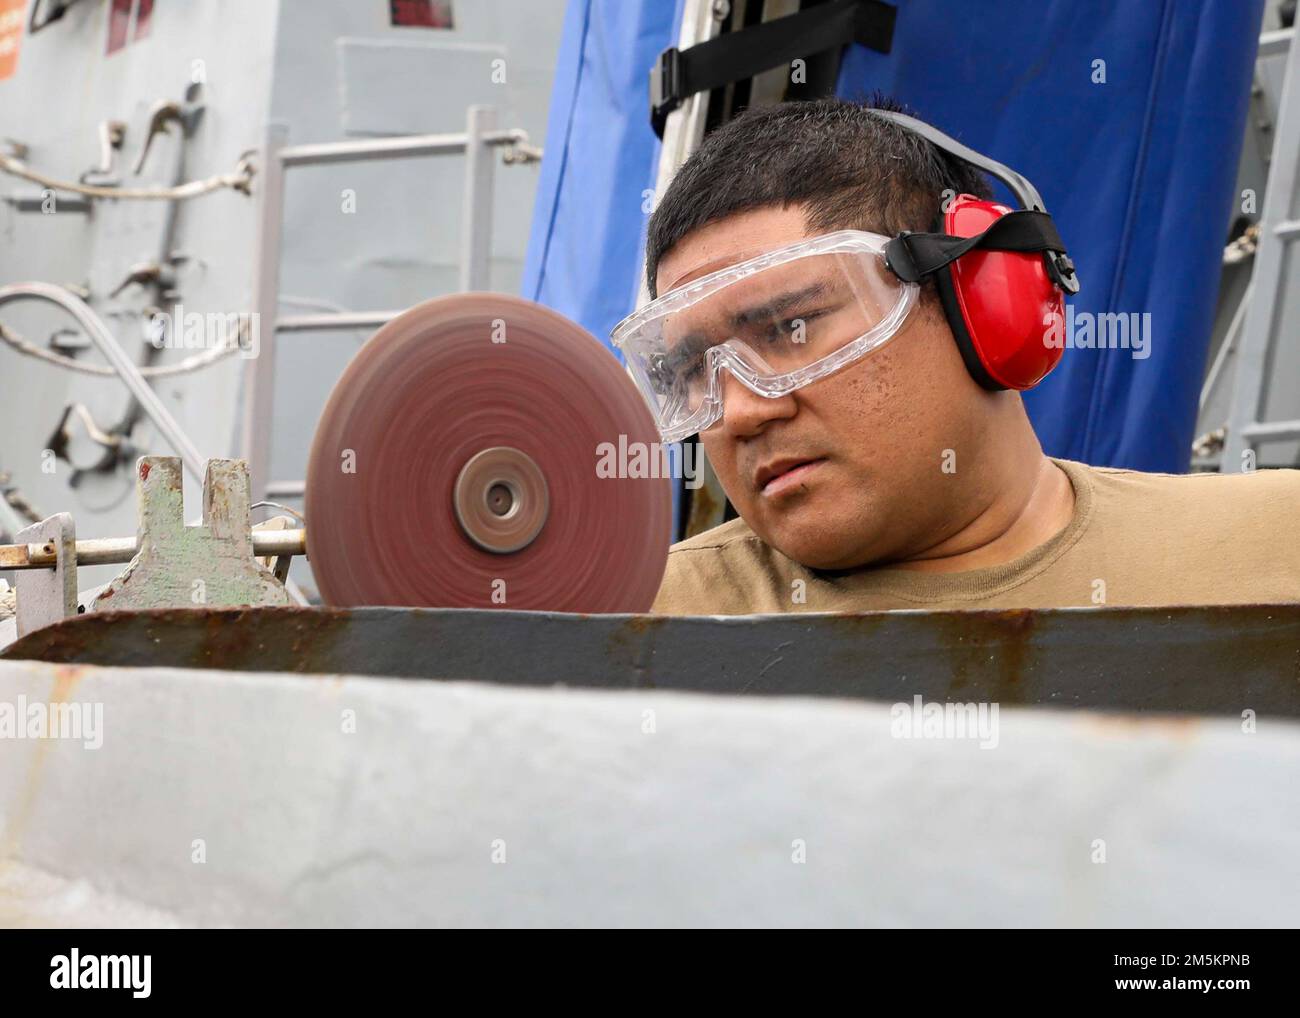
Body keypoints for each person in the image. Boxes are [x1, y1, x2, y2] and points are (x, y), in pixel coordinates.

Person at [612, 98, 1300, 615]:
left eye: (792, 326)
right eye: (694, 371)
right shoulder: (625, 625)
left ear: (982, 296)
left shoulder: (1275, 544)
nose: (739, 411)